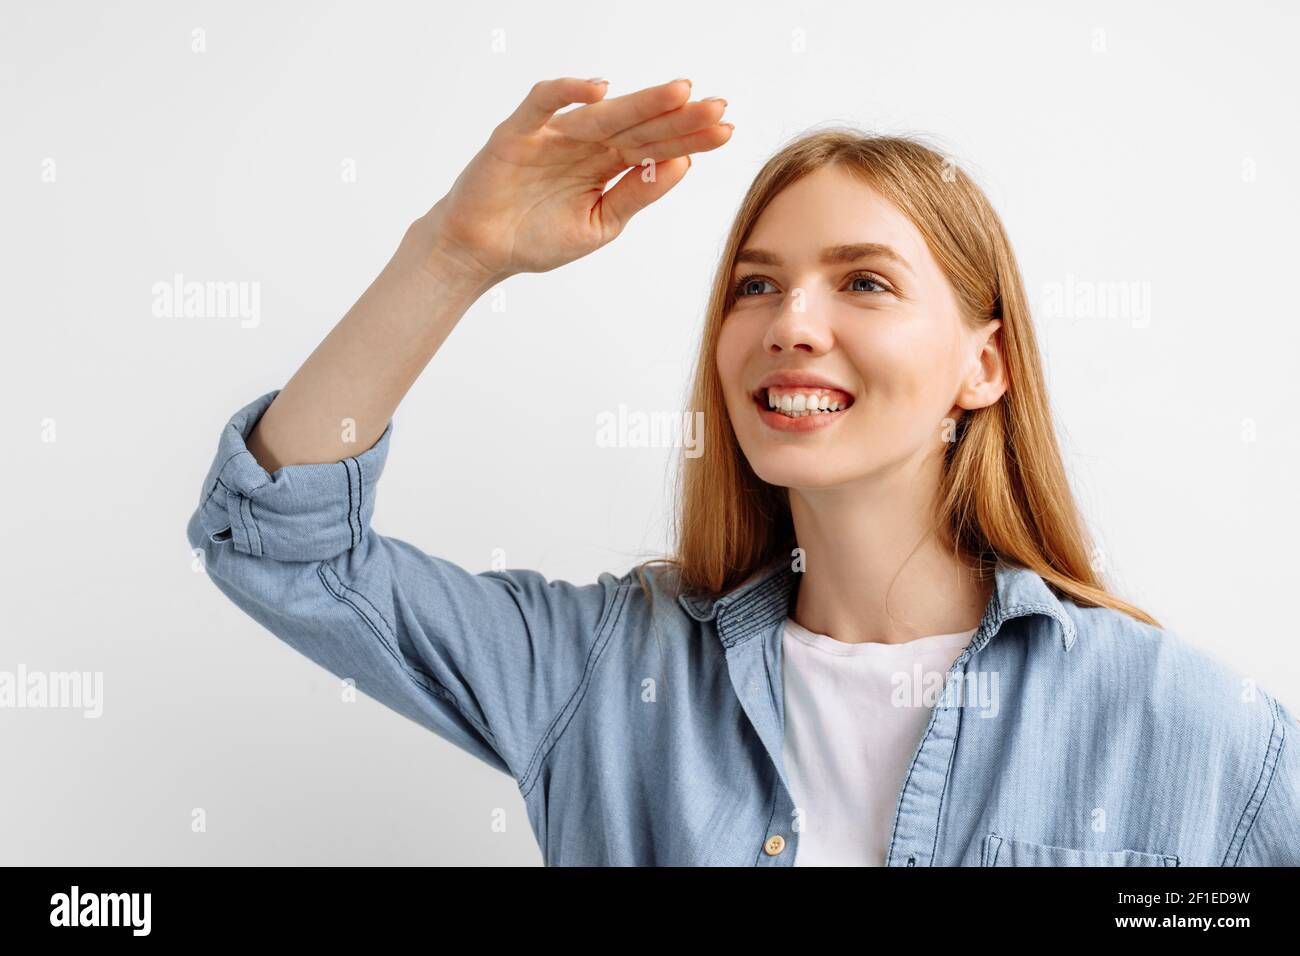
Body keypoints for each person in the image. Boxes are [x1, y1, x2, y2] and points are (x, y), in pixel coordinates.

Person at [185, 76, 1298, 866]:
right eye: (756, 286)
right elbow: (283, 544)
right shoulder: (602, 671)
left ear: (984, 364)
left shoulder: (1193, 728)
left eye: (862, 283)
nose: (790, 324)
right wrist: (454, 254)